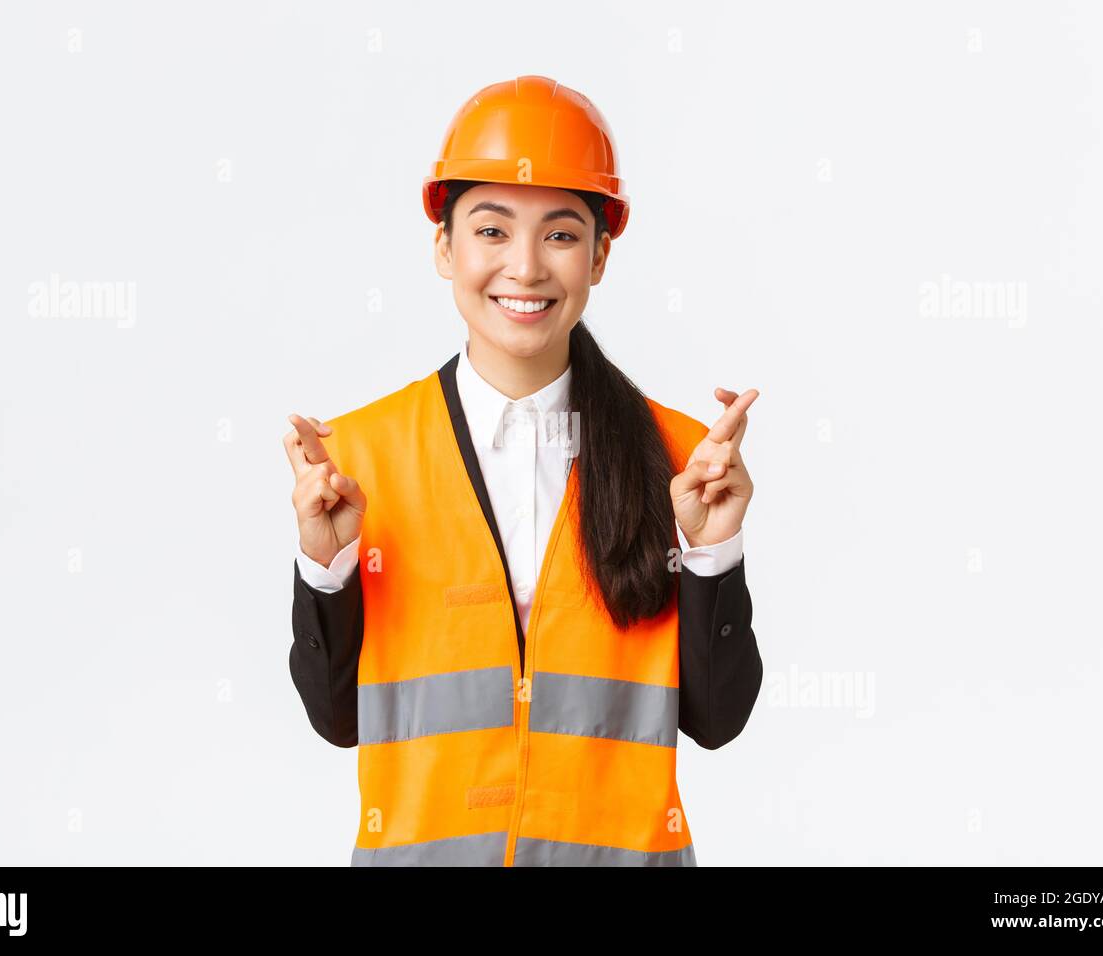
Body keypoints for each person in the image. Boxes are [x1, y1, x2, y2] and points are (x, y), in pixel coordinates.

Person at [283, 75, 763, 866]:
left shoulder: (681, 459)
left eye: (563, 235)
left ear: (601, 255)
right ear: (444, 247)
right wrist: (324, 566)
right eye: (493, 231)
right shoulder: (360, 457)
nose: (527, 267)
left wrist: (712, 551)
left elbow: (715, 719)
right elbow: (339, 719)